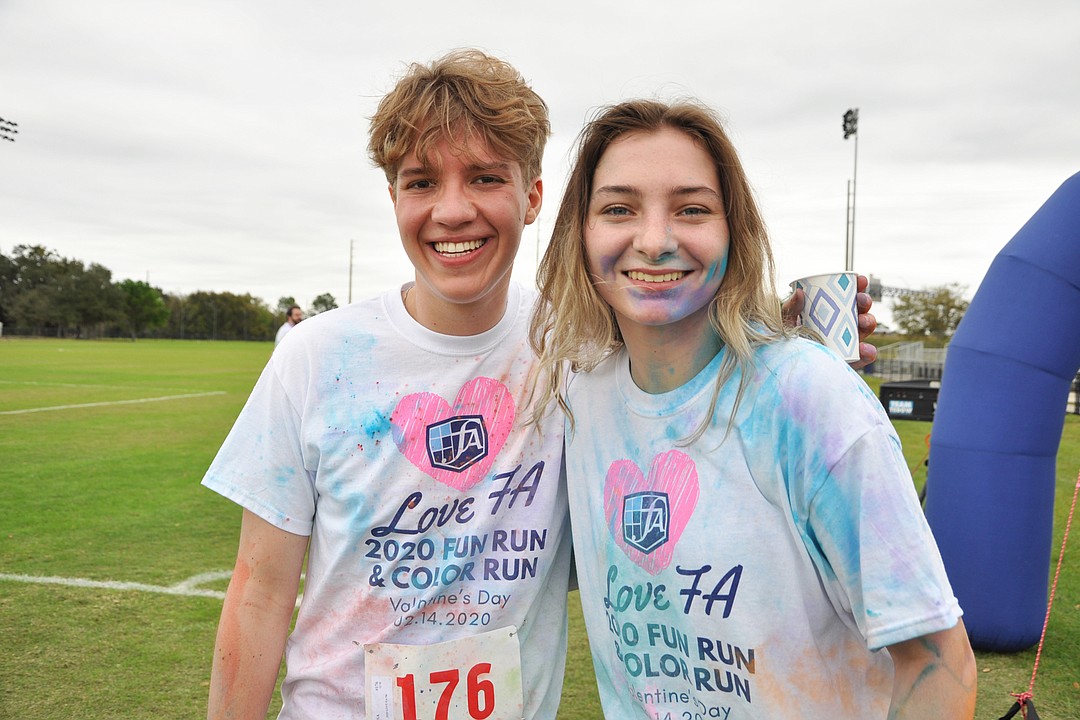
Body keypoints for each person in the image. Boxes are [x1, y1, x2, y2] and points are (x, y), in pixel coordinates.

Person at [203, 50, 878, 720]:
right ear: (393, 198)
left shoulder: (582, 348)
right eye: (421, 182)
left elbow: (687, 356)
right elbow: (260, 594)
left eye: (485, 177)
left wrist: (779, 341)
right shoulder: (316, 358)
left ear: (531, 197)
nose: (452, 210)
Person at [529, 99, 976, 719]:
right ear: (579, 231)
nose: (654, 240)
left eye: (692, 209)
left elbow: (937, 663)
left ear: (732, 232)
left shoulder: (809, 397)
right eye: (617, 209)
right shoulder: (578, 398)